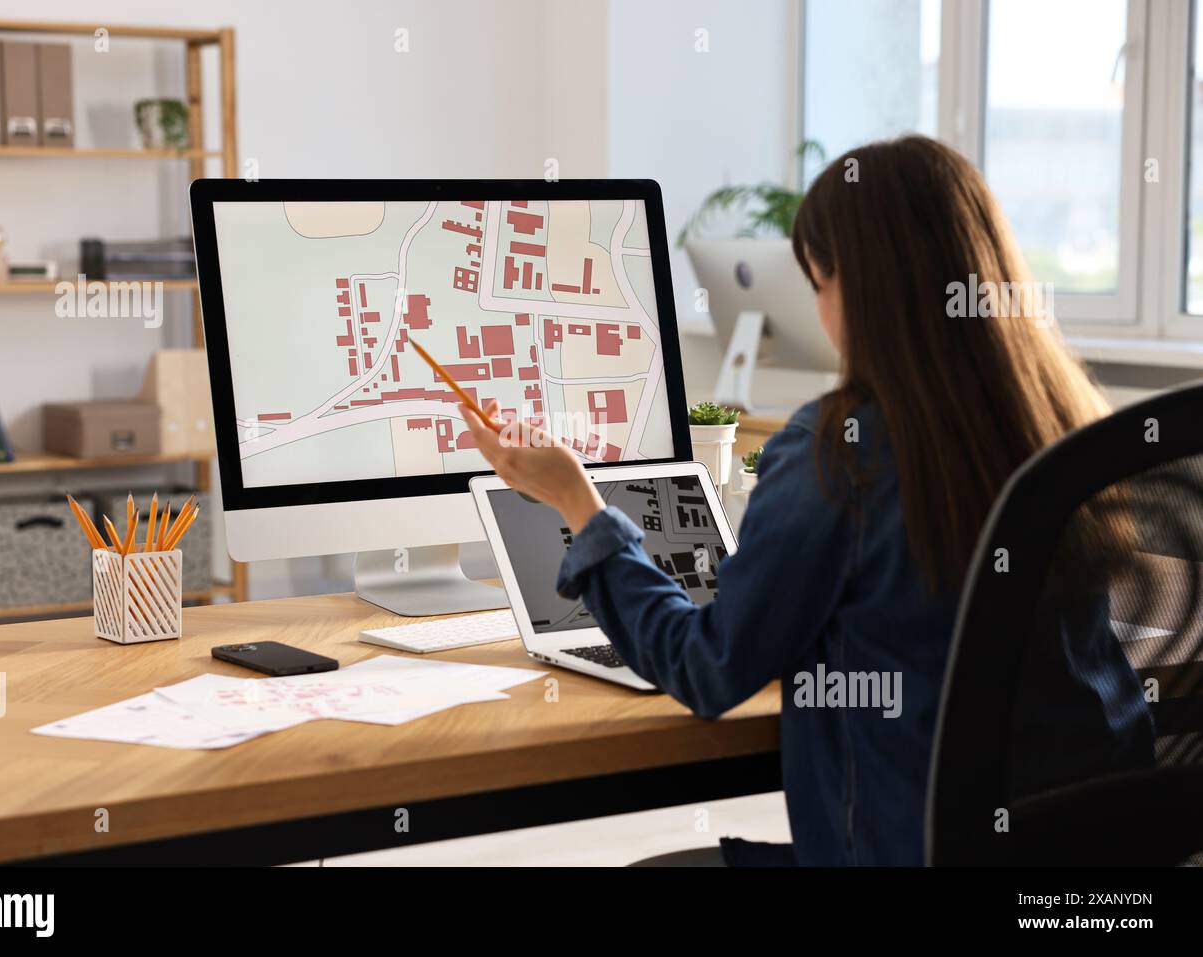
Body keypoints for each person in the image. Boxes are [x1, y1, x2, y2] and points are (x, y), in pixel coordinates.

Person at [458, 135, 1151, 866]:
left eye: (818, 281)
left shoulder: (839, 455)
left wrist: (576, 500)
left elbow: (706, 667)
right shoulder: (1062, 427)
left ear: (865, 287)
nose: (816, 306)